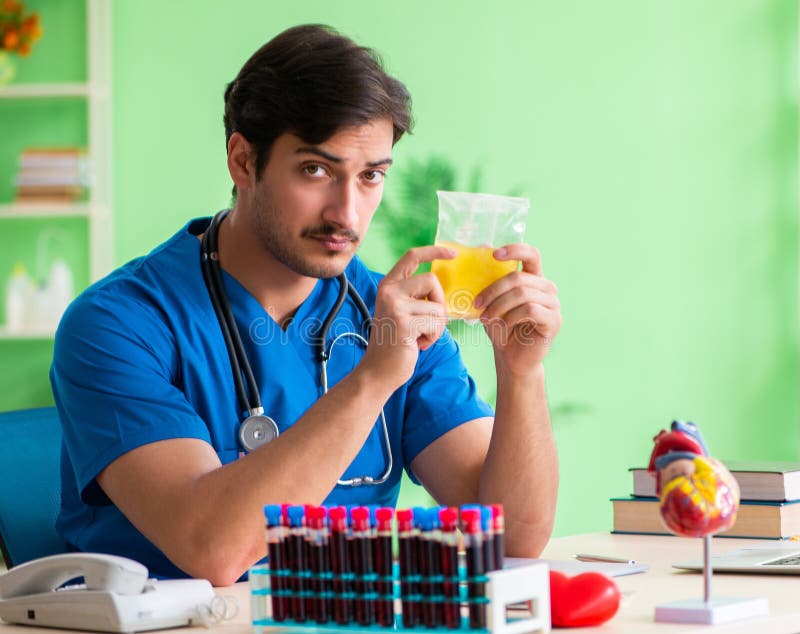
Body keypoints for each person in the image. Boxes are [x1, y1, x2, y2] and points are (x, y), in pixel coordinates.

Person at [50, 24, 561, 586]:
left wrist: (521, 372)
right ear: (243, 161)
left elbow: (512, 537)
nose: (347, 212)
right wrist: (371, 381)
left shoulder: (390, 314)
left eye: (370, 177)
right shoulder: (119, 324)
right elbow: (214, 551)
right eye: (317, 170)